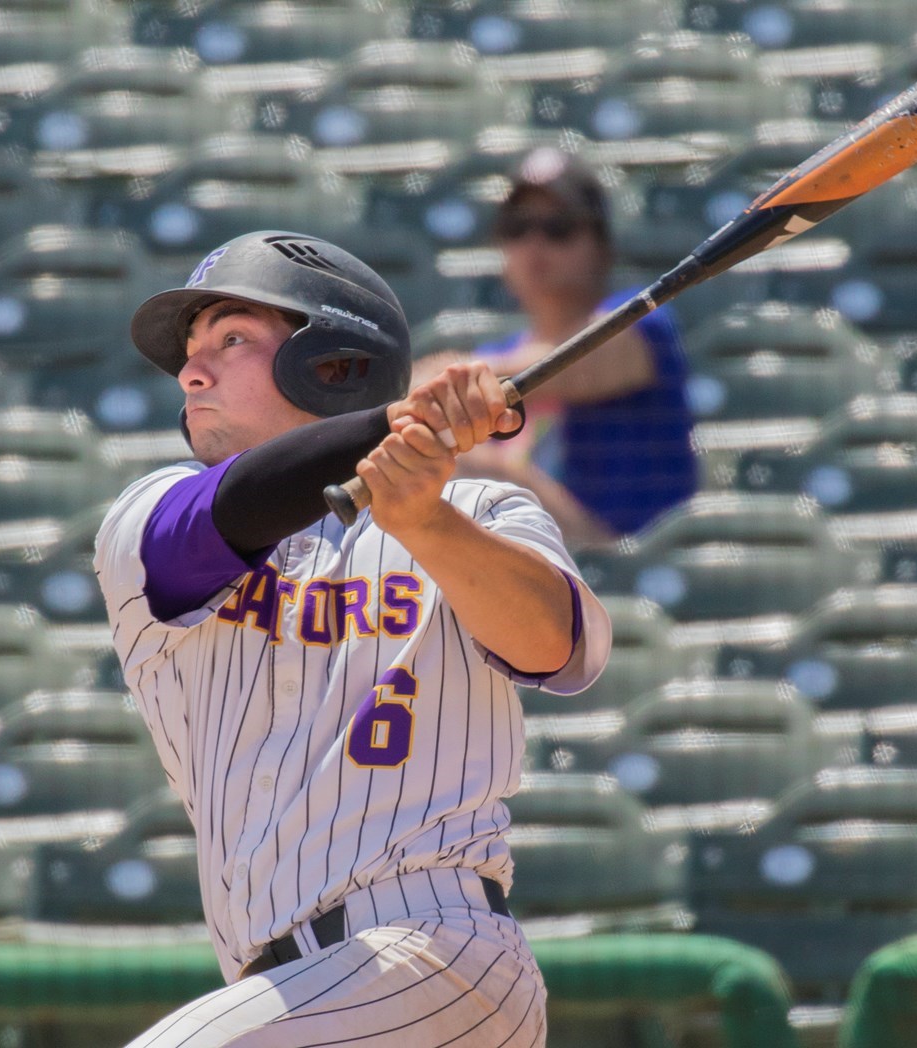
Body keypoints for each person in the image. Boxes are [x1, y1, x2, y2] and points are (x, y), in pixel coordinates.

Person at [93, 230, 612, 1047]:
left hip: (433, 957)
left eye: (231, 340)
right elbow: (220, 520)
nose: (192, 372)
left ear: (333, 364)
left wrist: (425, 521)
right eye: (191, 352)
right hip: (292, 992)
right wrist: (396, 424)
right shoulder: (146, 515)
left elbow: (552, 646)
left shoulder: (481, 513)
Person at [432, 147, 698, 547]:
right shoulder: (497, 352)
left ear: (602, 246)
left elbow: (570, 365)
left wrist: (435, 384)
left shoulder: (643, 319)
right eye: (517, 227)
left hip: (632, 565)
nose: (535, 243)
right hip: (531, 569)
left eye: (559, 227)